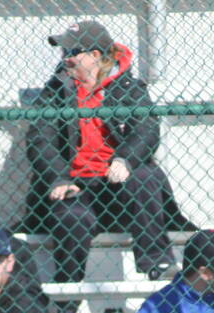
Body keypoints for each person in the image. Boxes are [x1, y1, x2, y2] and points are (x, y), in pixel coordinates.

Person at [25, 19, 186, 283]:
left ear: (95, 56)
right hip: (76, 187)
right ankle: (68, 297)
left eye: (71, 52)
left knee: (145, 176)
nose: (65, 59)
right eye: (63, 52)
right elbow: (40, 139)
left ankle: (157, 263)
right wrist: (59, 177)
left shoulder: (128, 87)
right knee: (71, 218)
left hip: (116, 187)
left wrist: (125, 160)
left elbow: (146, 130)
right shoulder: (56, 90)